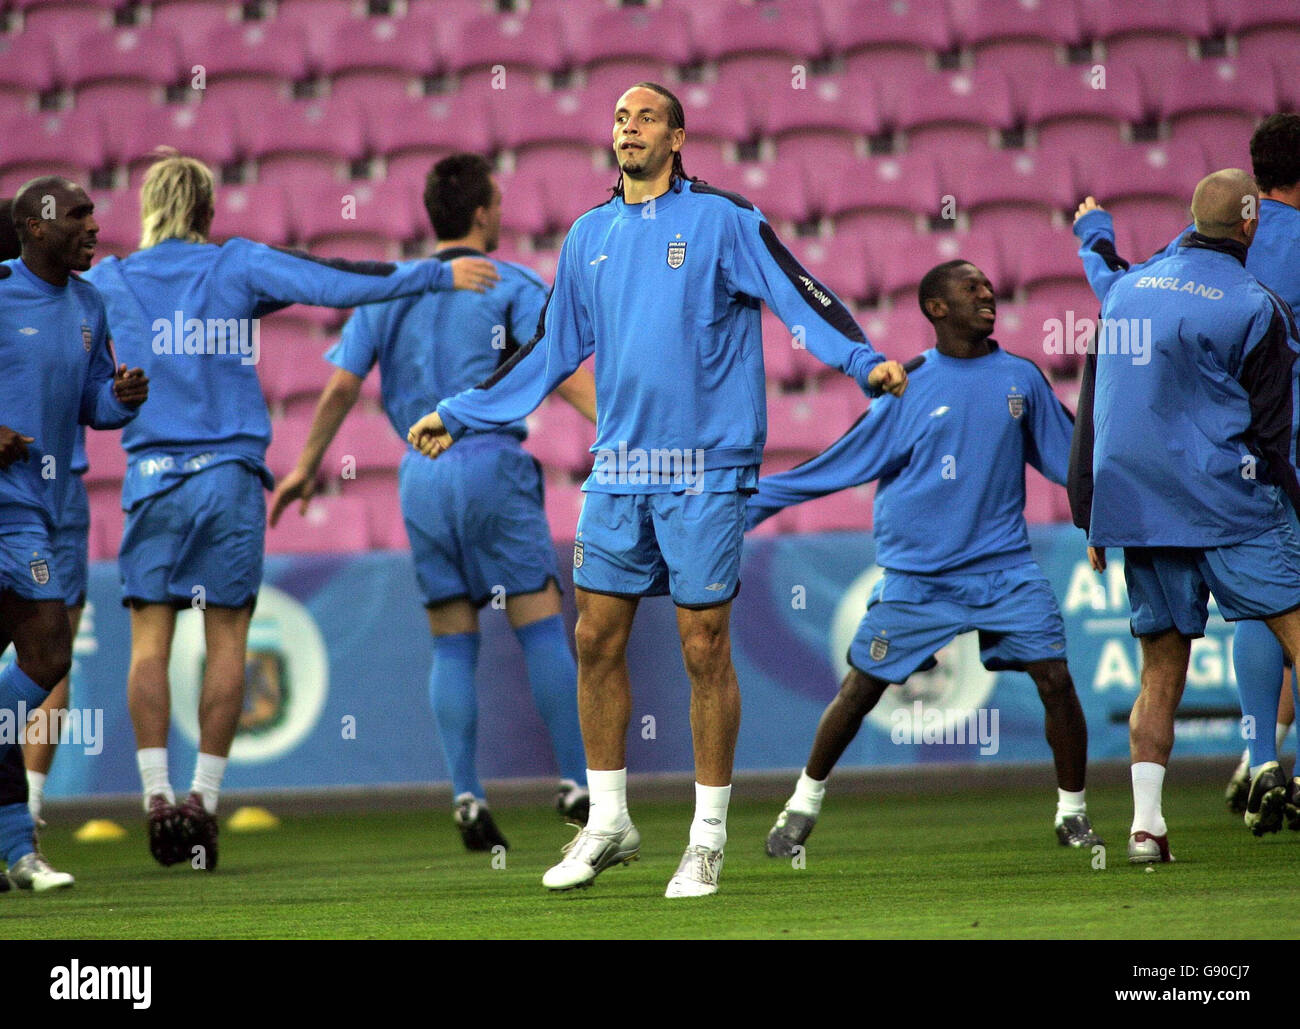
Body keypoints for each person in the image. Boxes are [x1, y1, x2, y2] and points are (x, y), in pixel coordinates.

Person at [409, 82, 908, 897]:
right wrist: (461, 414)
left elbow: (800, 296)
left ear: (678, 136)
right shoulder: (587, 236)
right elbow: (547, 351)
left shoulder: (724, 220)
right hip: (618, 468)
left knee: (703, 644)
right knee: (595, 637)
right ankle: (608, 820)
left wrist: (861, 361)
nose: (627, 127)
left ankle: (707, 837)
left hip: (707, 469)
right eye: (618, 117)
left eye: (644, 117)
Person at [82, 153, 499, 871]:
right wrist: (435, 271)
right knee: (228, 641)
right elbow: (334, 278)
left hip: (151, 477)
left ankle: (154, 795)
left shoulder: (110, 281)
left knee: (149, 644)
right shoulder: (238, 265)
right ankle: (202, 804)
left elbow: (42, 309)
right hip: (228, 477)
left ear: (147, 207)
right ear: (207, 212)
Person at [269, 153, 596, 851]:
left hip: (419, 473)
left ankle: (465, 793)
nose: (503, 212)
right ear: (481, 213)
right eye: (499, 201)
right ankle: (576, 785)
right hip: (488, 461)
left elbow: (338, 388)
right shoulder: (508, 283)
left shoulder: (392, 290)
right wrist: (627, 431)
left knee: (452, 636)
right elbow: (558, 367)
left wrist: (302, 468)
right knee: (538, 620)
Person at [751, 261, 1100, 857]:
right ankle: (802, 803)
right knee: (861, 689)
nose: (987, 293)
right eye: (971, 289)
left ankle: (1072, 813)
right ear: (935, 308)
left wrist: (1108, 514)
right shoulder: (907, 387)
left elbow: (1074, 464)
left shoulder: (1022, 379)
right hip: (919, 579)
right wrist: (745, 505)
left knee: (1056, 678)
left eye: (989, 287)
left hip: (1004, 570)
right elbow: (841, 462)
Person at [1073, 114, 1300, 833]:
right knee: (1283, 611)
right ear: (1247, 219)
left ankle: (1168, 812)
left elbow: (1107, 330)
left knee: (1161, 668)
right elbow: (1270, 424)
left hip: (1143, 496)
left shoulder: (1148, 276)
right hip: (1249, 473)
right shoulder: (1251, 295)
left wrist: (1093, 234)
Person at [0, 177, 150, 889]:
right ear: (33, 225)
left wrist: (118, 400)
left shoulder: (89, 303)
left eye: (95, 214)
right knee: (49, 648)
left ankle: (16, 853)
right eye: (78, 216)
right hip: (8, 504)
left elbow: (91, 397)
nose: (94, 226)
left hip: (55, 502)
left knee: (25, 671)